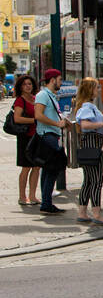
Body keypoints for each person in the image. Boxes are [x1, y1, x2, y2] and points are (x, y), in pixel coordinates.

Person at [72, 78, 103, 225]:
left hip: (89, 144)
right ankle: (96, 213)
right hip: (92, 145)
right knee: (97, 180)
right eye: (96, 88)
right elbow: (86, 125)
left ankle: (82, 212)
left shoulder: (87, 106)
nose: (98, 90)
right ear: (90, 90)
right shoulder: (87, 107)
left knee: (88, 180)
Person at [32, 67, 67, 213]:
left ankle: (46, 202)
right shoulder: (42, 95)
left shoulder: (51, 95)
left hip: (52, 135)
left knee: (49, 170)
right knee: (53, 168)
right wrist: (57, 124)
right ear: (52, 80)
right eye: (59, 80)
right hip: (47, 135)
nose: (61, 82)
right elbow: (38, 115)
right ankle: (46, 203)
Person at [12, 72, 41, 205]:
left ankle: (33, 196)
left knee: (36, 167)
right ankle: (22, 197)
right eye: (24, 84)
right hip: (25, 137)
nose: (27, 86)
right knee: (26, 167)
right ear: (20, 87)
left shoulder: (35, 98)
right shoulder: (20, 100)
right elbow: (17, 118)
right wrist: (34, 120)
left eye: (29, 84)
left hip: (36, 136)